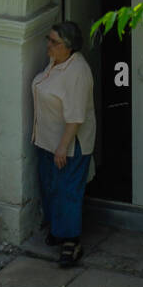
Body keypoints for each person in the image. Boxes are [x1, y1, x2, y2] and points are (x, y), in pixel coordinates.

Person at [32, 20, 96, 267]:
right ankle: (58, 230)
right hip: (47, 138)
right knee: (51, 186)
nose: (48, 45)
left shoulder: (77, 71)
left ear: (68, 47)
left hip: (69, 142)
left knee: (67, 189)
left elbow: (76, 115)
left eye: (54, 42)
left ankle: (72, 242)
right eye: (48, 40)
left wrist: (63, 147)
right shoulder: (56, 63)